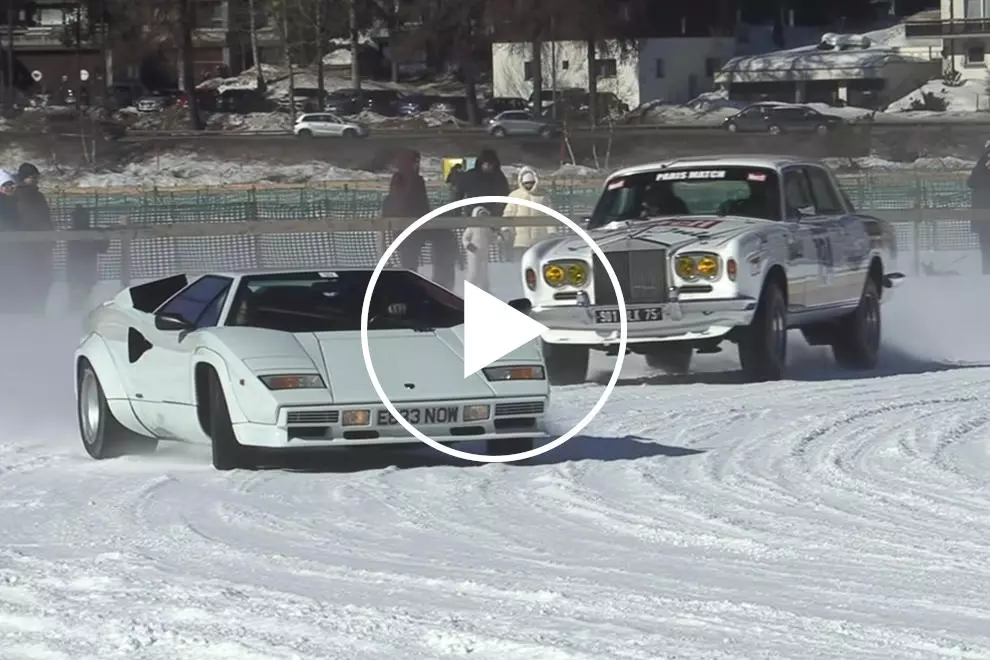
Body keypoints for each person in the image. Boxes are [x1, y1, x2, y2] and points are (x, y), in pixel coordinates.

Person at [382, 148, 458, 290]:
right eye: (414, 162)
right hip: (405, 229)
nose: (417, 165)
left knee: (445, 238)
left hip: (420, 226)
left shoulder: (417, 179)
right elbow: (403, 201)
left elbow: (422, 203)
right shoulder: (401, 179)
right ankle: (410, 288)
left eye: (418, 162)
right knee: (409, 262)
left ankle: (442, 282)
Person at [14, 162, 55, 313]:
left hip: (41, 245)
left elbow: (46, 218)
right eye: (32, 177)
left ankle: (38, 309)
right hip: (25, 247)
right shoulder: (17, 196)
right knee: (29, 278)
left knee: (44, 279)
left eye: (36, 177)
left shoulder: (38, 196)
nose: (36, 180)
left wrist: (50, 238)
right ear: (23, 178)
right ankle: (29, 310)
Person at [66, 205, 109, 311]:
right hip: (80, 272)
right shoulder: (72, 234)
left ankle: (77, 313)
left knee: (80, 297)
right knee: (80, 297)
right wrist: (103, 235)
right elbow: (102, 248)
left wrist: (103, 235)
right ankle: (77, 313)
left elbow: (102, 248)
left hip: (80, 272)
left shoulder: (70, 233)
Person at [502, 167, 550, 261]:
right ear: (522, 182)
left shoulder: (543, 195)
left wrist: (552, 231)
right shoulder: (515, 195)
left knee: (537, 262)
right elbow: (509, 213)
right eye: (526, 183)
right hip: (520, 239)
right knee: (520, 262)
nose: (528, 185)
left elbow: (549, 214)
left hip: (539, 238)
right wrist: (506, 228)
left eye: (531, 183)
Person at [462, 206, 500, 292]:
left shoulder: (486, 228)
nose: (482, 218)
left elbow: (491, 238)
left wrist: (498, 238)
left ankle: (485, 289)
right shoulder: (471, 228)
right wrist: (468, 245)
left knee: (484, 272)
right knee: (474, 271)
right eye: (481, 215)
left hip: (484, 252)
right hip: (473, 253)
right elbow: (465, 238)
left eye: (484, 216)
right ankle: (470, 288)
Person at [967, 140, 990, 275]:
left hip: (982, 217)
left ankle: (986, 274)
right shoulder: (982, 165)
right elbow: (972, 182)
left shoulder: (981, 164)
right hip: (983, 216)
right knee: (986, 247)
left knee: (986, 248)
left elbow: (971, 182)